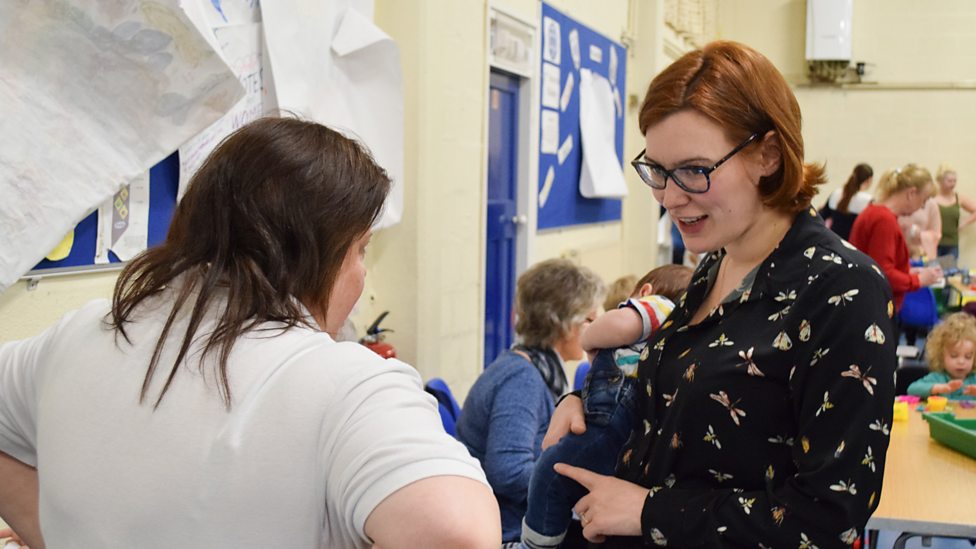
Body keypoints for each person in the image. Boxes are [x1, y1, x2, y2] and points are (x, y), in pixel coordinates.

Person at [0, 117, 500, 549]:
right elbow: (458, 534)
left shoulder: (79, 334)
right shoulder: (343, 383)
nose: (362, 275)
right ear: (316, 254)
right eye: (362, 250)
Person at [543, 41, 897, 548]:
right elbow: (678, 396)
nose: (669, 197)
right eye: (658, 171)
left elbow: (828, 518)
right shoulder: (716, 262)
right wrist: (584, 401)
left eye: (694, 170)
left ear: (768, 155)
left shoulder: (843, 289)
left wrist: (650, 511)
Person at [520, 264, 692, 549]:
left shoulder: (660, 307)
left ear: (644, 293)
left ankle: (533, 545)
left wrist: (588, 336)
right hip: (621, 425)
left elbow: (619, 326)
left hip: (612, 419)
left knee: (551, 474)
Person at [455, 258, 604, 545]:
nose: (597, 325)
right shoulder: (521, 379)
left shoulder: (532, 366)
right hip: (507, 530)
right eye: (589, 318)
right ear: (563, 324)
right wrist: (575, 485)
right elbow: (508, 472)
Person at [850, 165, 944, 312]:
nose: (922, 206)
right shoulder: (884, 220)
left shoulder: (876, 213)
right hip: (875, 307)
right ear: (911, 193)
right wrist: (918, 280)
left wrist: (908, 271)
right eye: (923, 200)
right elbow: (883, 273)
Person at [908, 312, 976, 400]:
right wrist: (938, 388)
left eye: (968, 357)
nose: (961, 361)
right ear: (941, 356)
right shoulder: (938, 377)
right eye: (954, 356)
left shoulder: (973, 379)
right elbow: (912, 389)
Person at [820, 162, 874, 240]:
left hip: (833, 242)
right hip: (852, 246)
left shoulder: (836, 193)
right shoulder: (867, 201)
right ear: (869, 180)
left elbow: (822, 216)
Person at [934, 163, 976, 259]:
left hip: (951, 244)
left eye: (954, 181)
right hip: (934, 244)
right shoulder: (932, 198)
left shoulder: (958, 198)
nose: (953, 184)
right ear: (940, 181)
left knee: (950, 272)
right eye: (949, 181)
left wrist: (964, 224)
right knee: (934, 272)